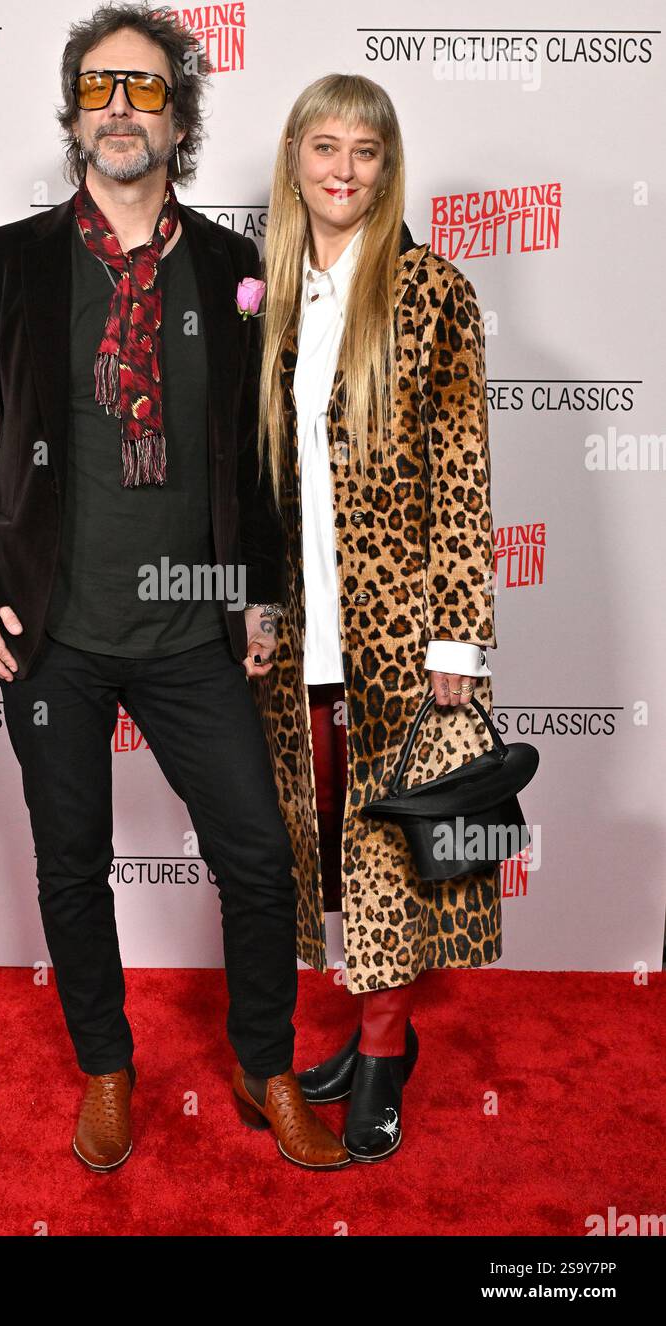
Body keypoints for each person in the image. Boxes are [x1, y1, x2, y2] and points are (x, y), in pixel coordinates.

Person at [0, 2, 352, 1172]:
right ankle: (107, 1070)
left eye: (149, 88)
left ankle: (266, 1068)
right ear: (73, 111)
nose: (123, 107)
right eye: (102, 86)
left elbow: (264, 451)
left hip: (190, 629)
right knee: (71, 861)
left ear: (181, 117)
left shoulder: (235, 269)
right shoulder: (3, 263)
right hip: (51, 632)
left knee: (260, 857)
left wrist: (260, 593)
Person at [250, 73, 500, 1162]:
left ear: (386, 170)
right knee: (331, 851)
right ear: (295, 160)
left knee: (395, 855)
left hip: (402, 636)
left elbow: (463, 474)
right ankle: (359, 1033)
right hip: (295, 629)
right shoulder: (262, 292)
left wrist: (455, 638)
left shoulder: (432, 292)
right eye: (324, 147)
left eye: (365, 151)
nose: (343, 170)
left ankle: (387, 1049)